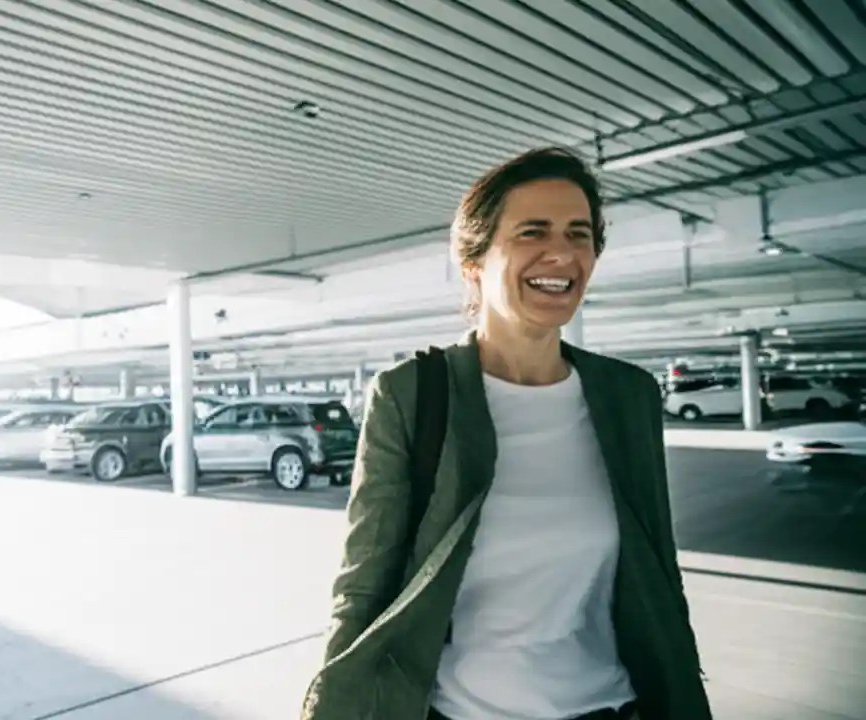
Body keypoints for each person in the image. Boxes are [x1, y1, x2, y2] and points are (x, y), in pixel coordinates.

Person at [301, 148, 711, 720]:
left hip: (611, 710)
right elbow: (364, 586)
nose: (562, 253)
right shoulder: (413, 395)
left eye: (579, 233)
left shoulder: (628, 397)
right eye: (532, 232)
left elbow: (659, 577)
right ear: (474, 259)